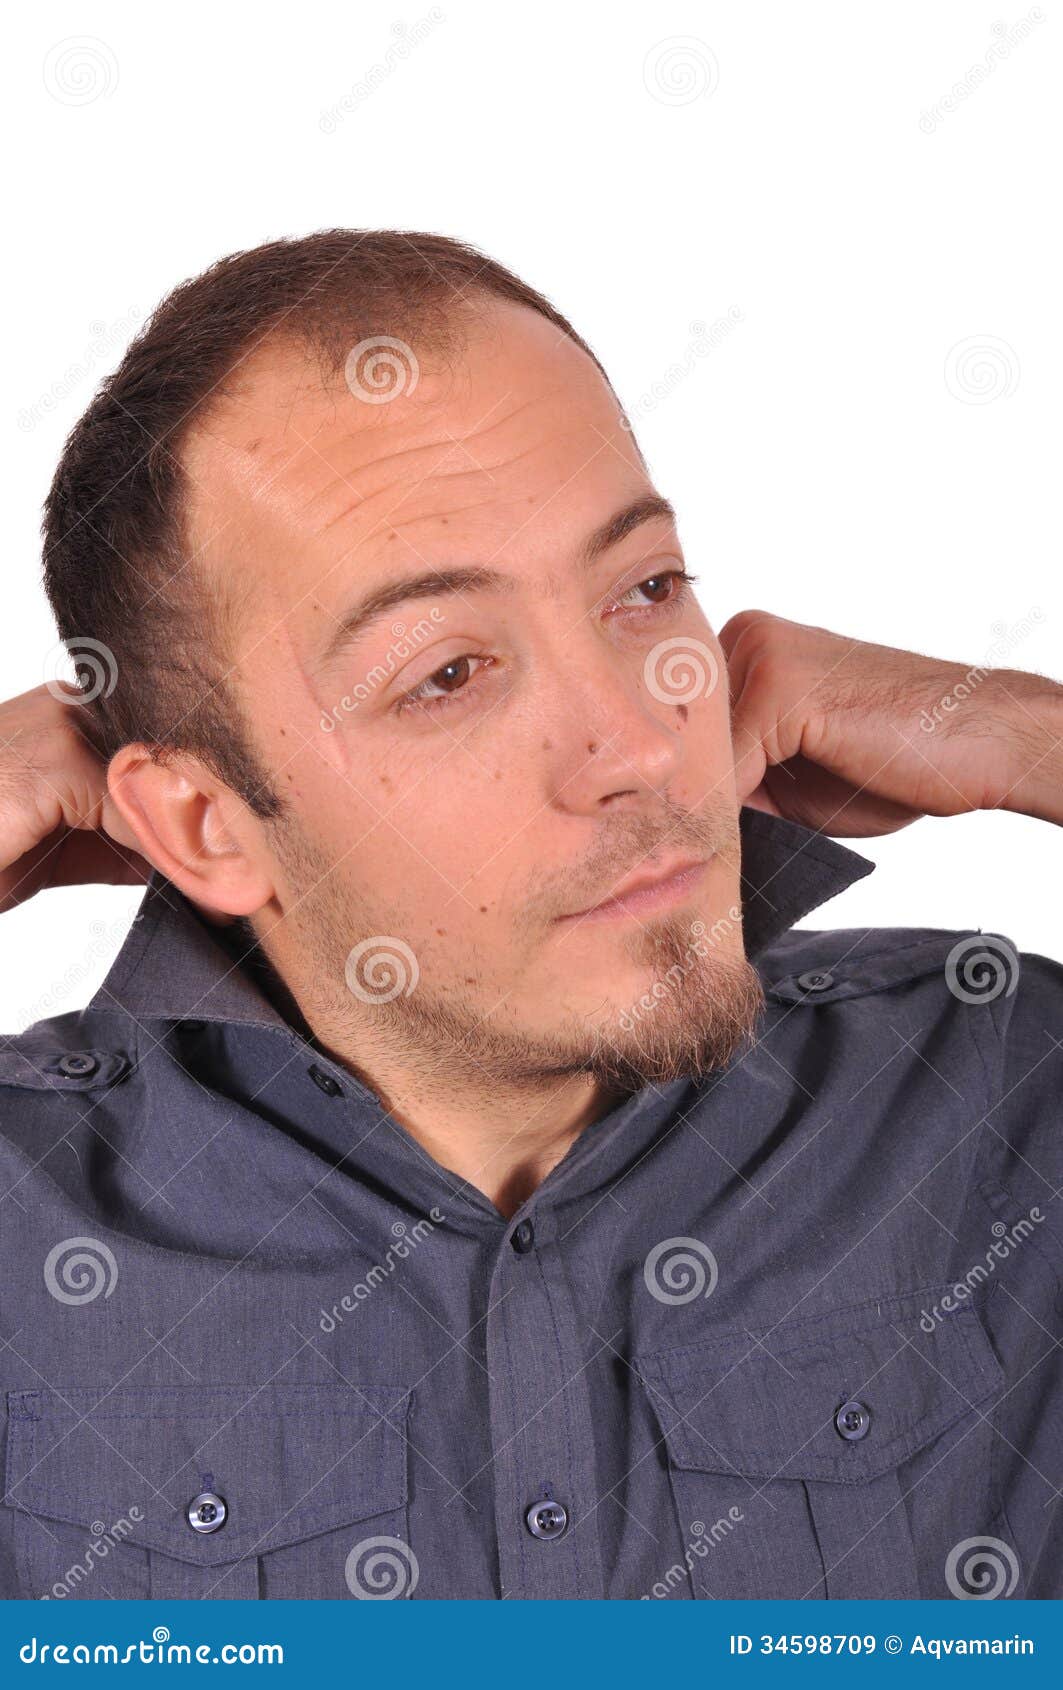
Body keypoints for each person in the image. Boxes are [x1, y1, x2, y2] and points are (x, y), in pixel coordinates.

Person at [0, 231, 1059, 1601]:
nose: (633, 739)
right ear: (206, 823)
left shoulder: (993, 1091)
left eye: (643, 590)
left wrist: (1022, 735)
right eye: (447, 673)